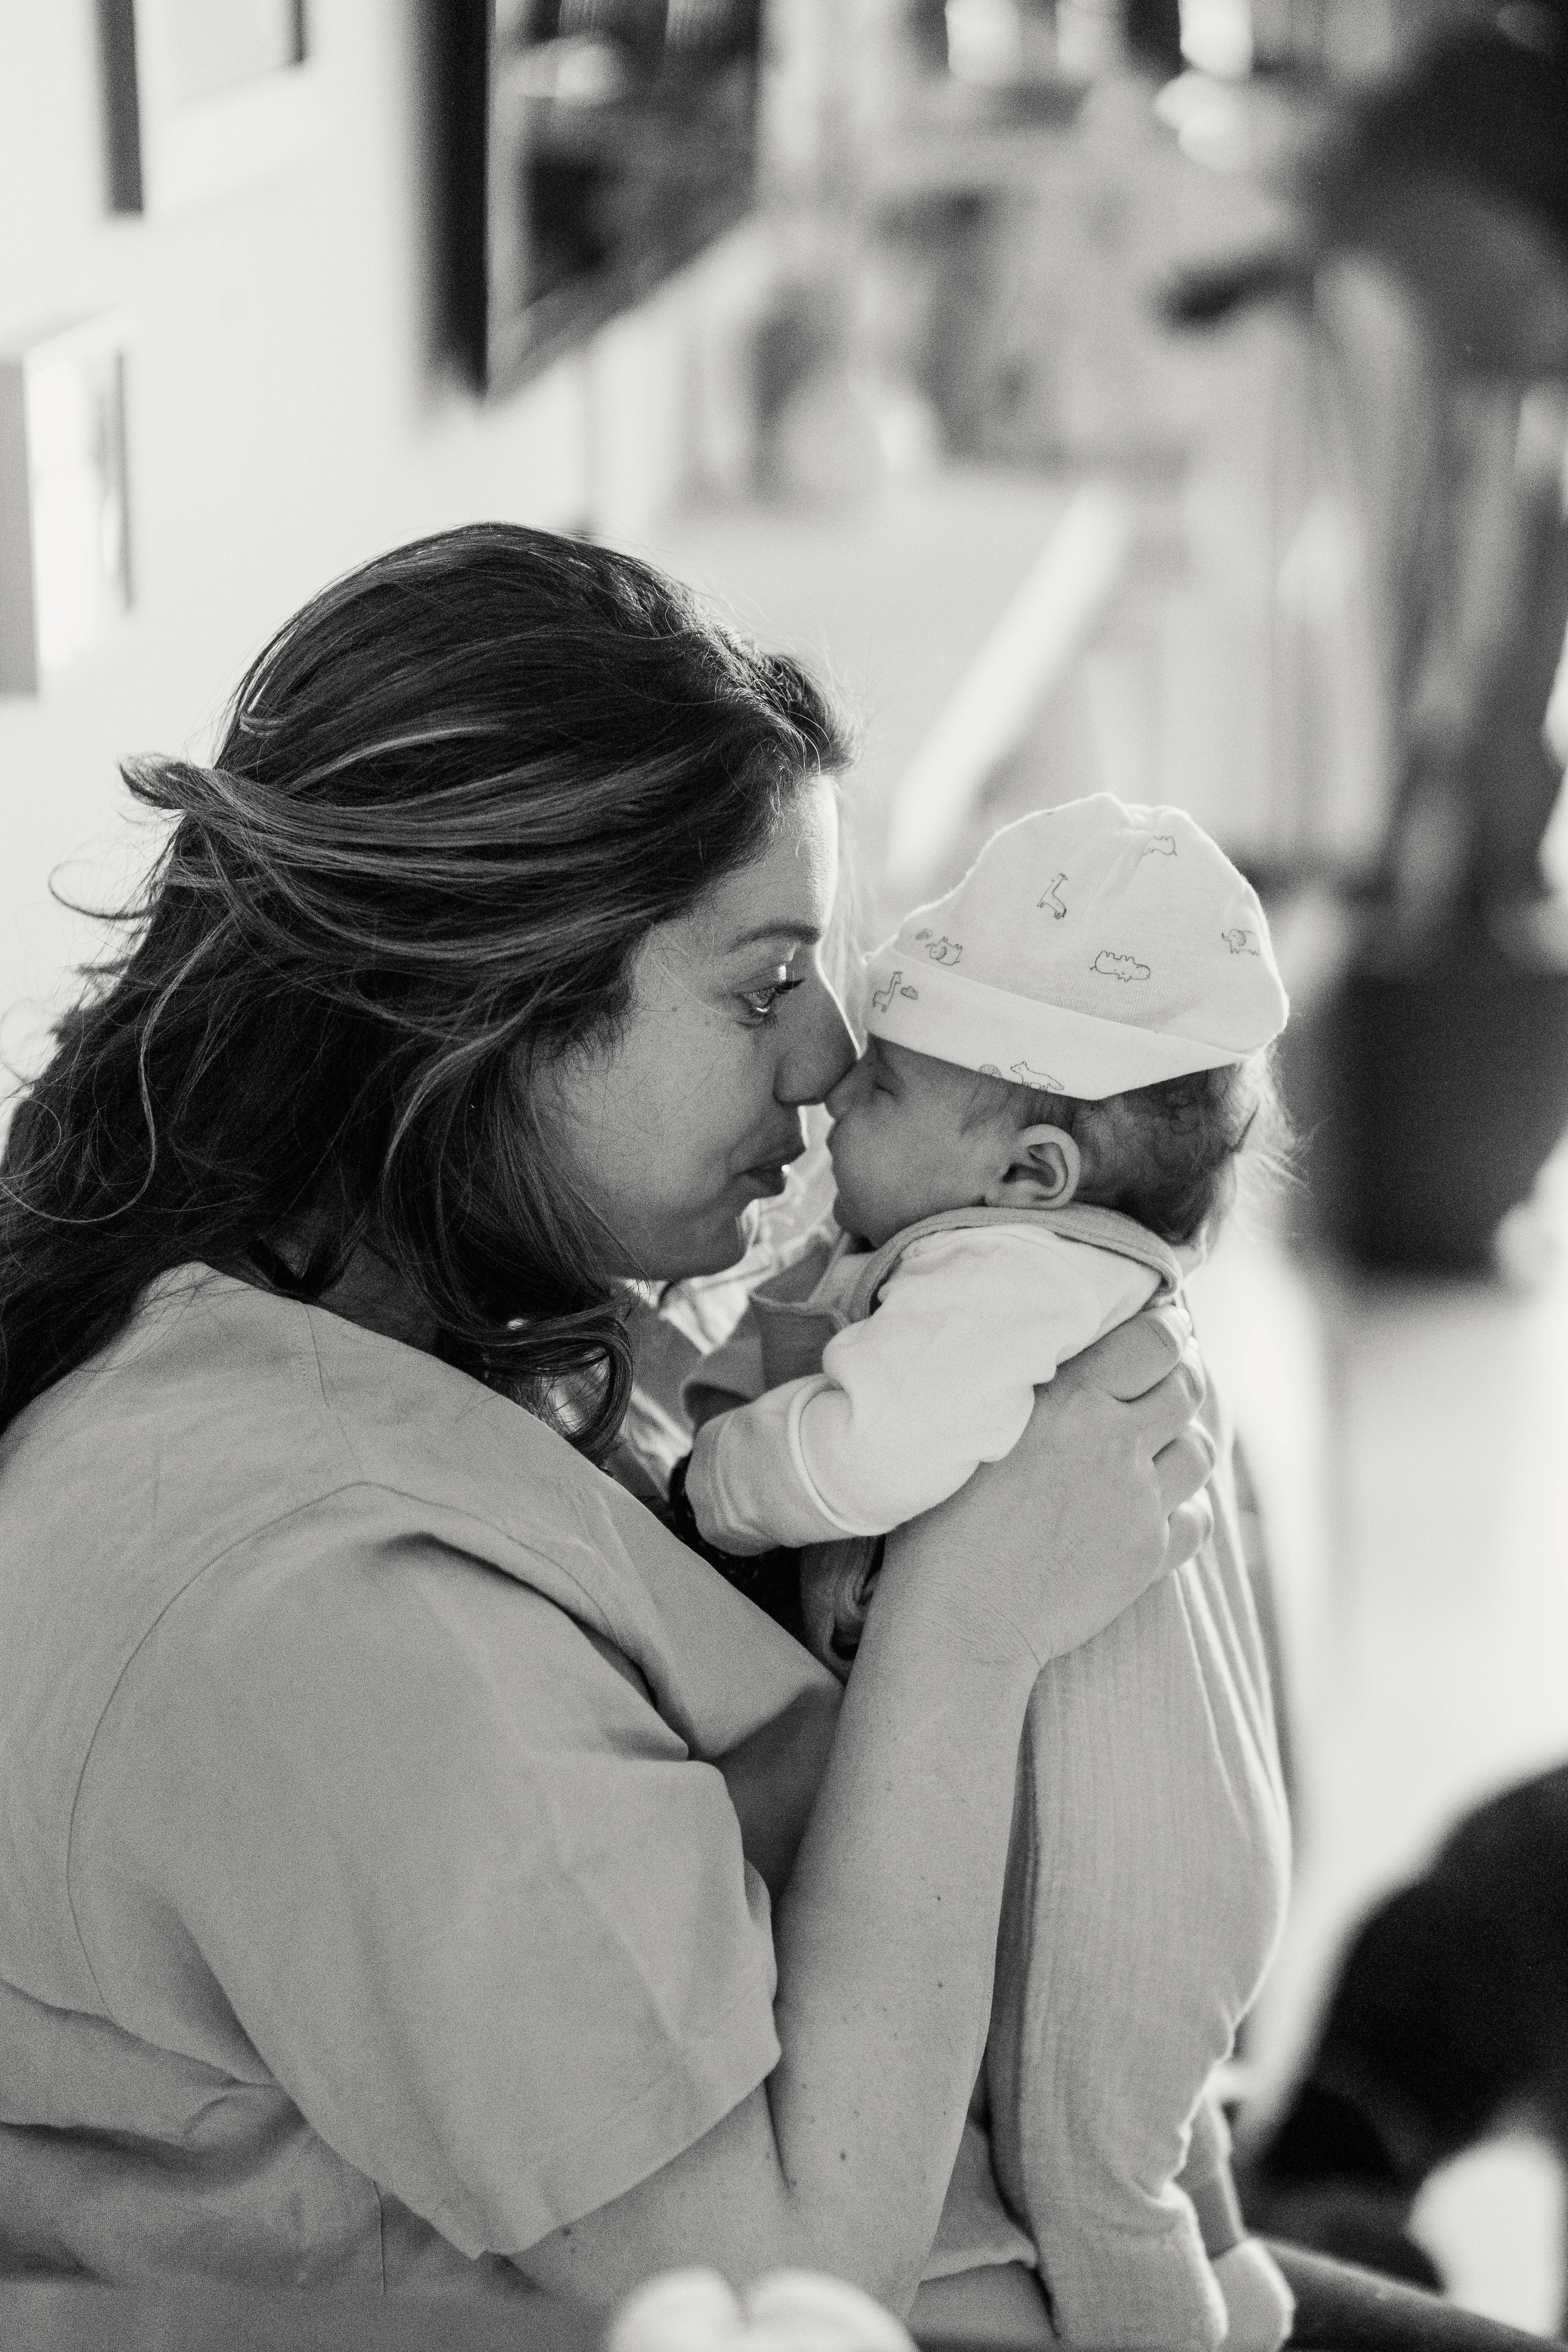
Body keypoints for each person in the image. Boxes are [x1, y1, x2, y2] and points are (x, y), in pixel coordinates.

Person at [0, 524, 1218, 2336]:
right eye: (759, 985)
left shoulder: (371, 1303)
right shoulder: (332, 1624)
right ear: (477, 1003)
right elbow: (785, 2289)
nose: (827, 1055)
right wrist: (969, 1626)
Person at [677, 799, 1295, 2349]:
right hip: (1160, 1842)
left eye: (881, 1086)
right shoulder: (1015, 1268)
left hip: (1107, 1864)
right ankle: (1244, 2285)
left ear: (1030, 1168)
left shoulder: (1008, 1284)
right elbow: (789, 1329)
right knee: (1157, 2112)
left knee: (1089, 2167)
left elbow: (864, 1452)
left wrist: (719, 1484)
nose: (830, 1102)